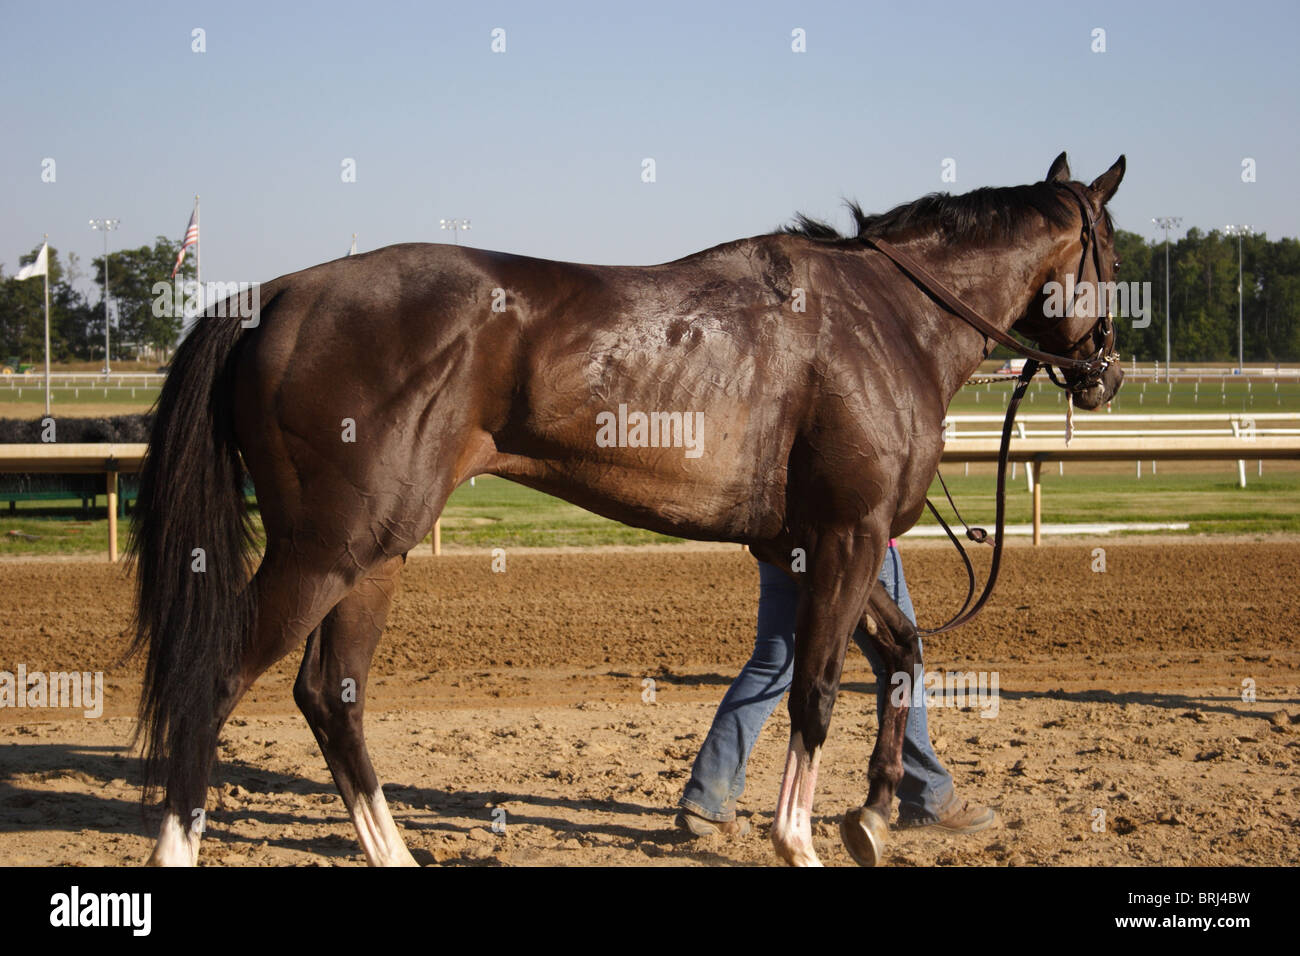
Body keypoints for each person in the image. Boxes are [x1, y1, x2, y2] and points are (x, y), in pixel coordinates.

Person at [677, 540, 995, 837]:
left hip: (782, 543)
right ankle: (928, 796)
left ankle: (709, 797)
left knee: (772, 664)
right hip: (855, 544)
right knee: (900, 660)